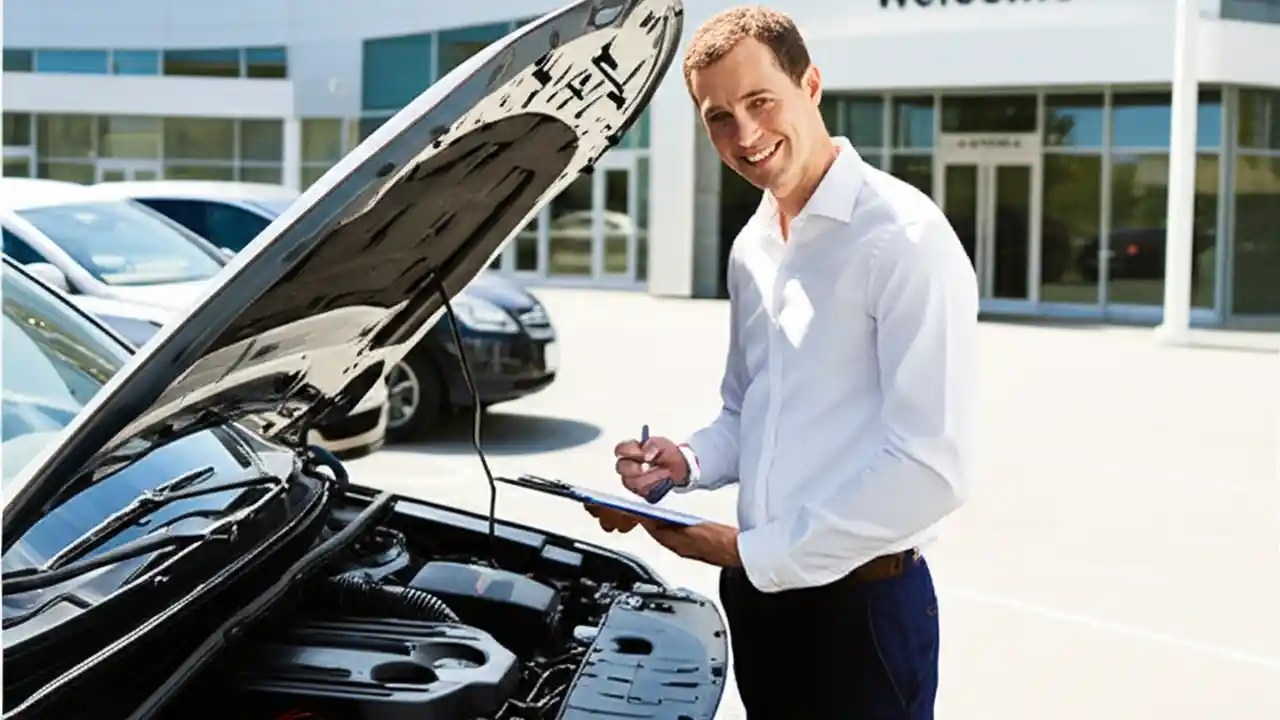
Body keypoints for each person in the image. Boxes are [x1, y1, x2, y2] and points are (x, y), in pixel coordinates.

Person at [585, 5, 979, 719]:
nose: (746, 134)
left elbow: (932, 469)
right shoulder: (752, 246)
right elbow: (749, 410)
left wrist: (746, 552)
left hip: (863, 614)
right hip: (760, 605)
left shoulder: (904, 238)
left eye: (761, 101)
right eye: (719, 117)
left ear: (812, 85)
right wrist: (686, 462)